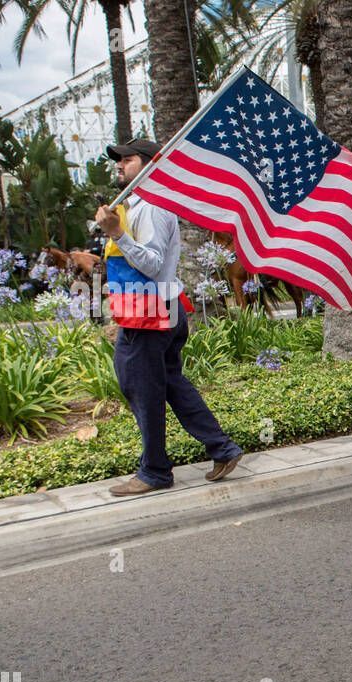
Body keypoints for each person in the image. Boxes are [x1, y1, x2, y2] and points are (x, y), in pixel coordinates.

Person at [96, 138, 243, 496]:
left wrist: (117, 233)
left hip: (151, 312)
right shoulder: (135, 205)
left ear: (149, 165)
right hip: (154, 308)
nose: (120, 166)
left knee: (141, 388)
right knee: (170, 384)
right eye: (119, 160)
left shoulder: (154, 207)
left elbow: (152, 263)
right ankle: (222, 448)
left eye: (127, 160)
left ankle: (156, 472)